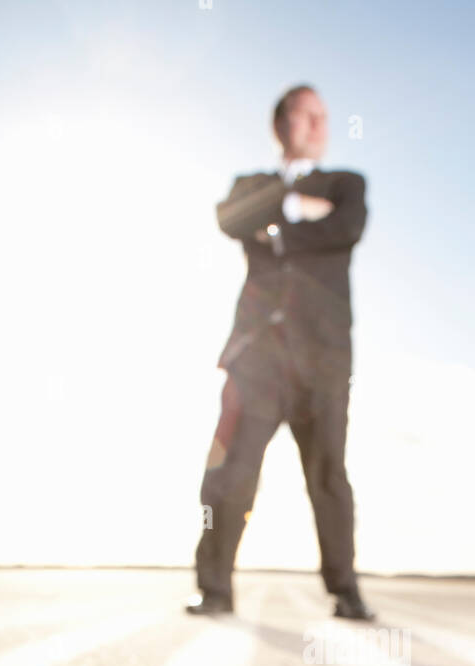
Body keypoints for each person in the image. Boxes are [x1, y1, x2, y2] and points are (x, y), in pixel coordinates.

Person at [187, 85, 375, 621]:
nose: (319, 126)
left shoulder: (346, 184)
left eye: (325, 116)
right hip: (257, 357)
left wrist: (273, 226)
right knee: (229, 471)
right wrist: (296, 208)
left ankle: (346, 591)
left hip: (324, 360)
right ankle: (215, 589)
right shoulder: (252, 184)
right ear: (281, 125)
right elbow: (229, 221)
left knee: (328, 475)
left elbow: (348, 228)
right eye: (307, 115)